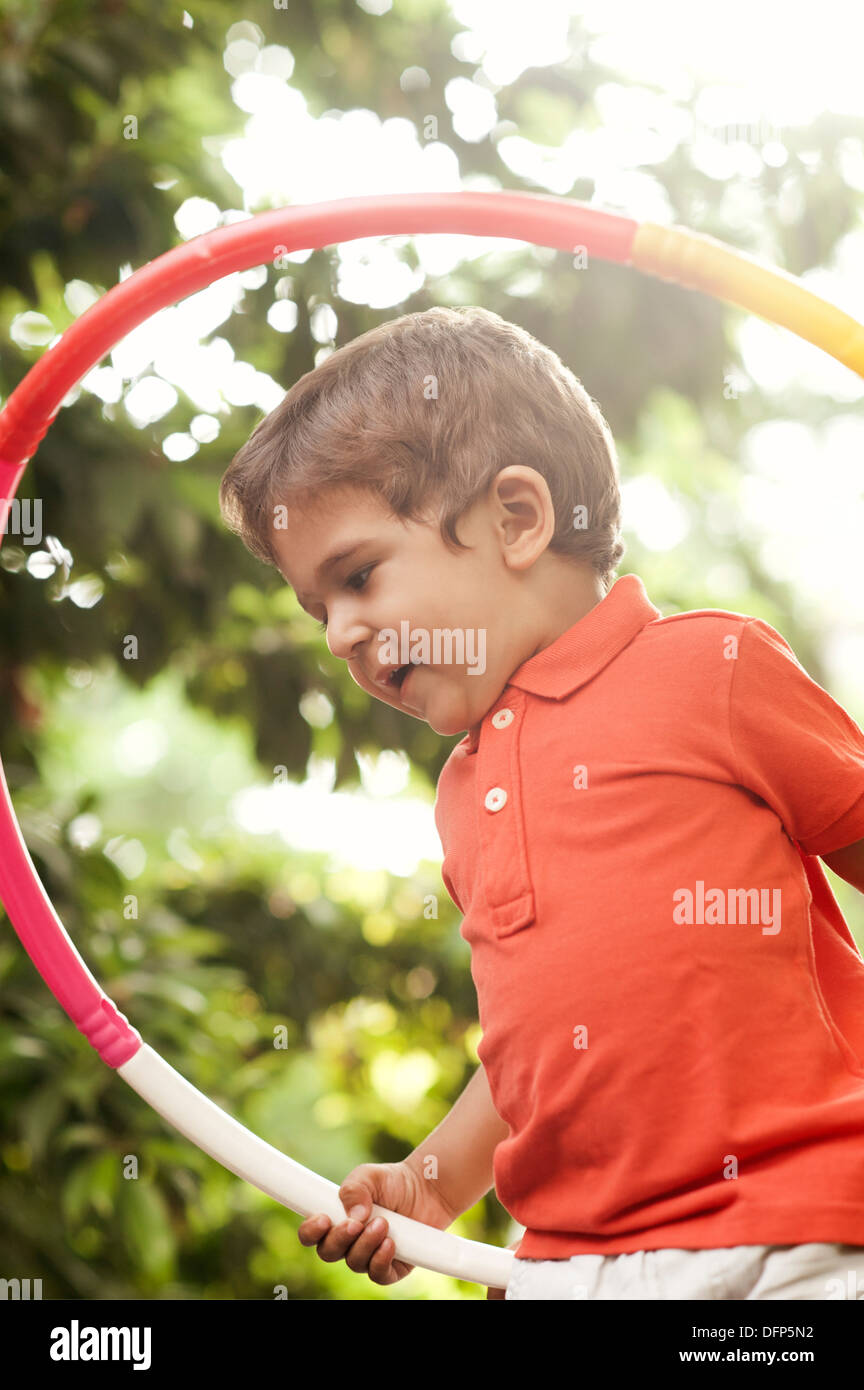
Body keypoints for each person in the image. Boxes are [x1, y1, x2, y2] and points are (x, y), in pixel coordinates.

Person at [219, 305, 864, 1300]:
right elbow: (532, 1047)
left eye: (357, 576)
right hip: (567, 1263)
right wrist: (431, 1184)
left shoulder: (712, 668)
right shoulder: (463, 789)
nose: (341, 632)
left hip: (791, 1233)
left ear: (516, 518)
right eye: (320, 610)